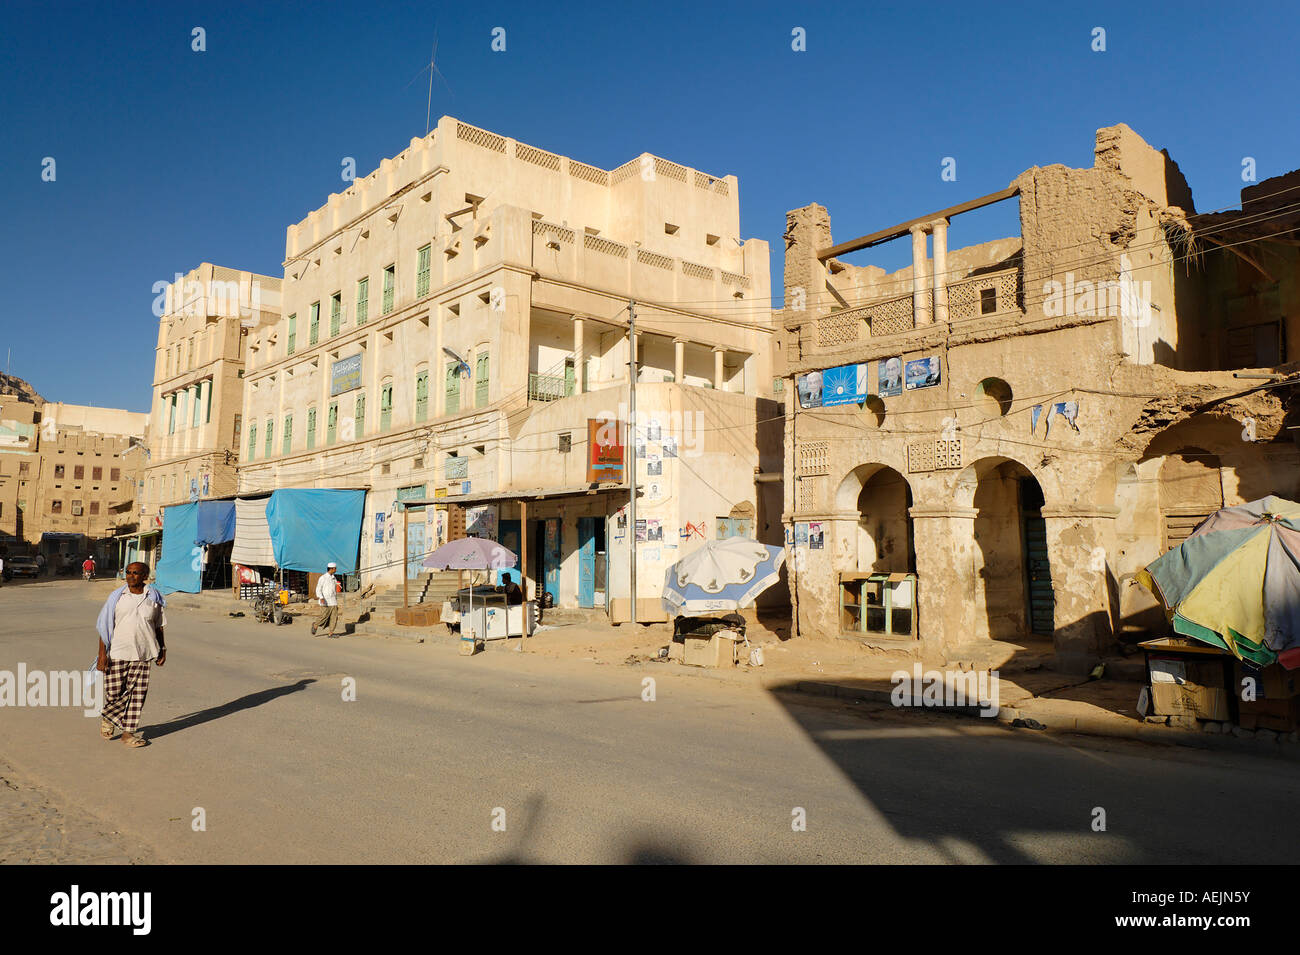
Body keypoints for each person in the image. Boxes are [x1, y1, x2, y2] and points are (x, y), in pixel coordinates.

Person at [94, 562, 166, 748]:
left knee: (137, 695)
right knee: (115, 692)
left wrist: (162, 649)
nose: (131, 576)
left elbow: (158, 627)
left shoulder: (154, 598)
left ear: (144, 576)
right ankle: (108, 718)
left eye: (136, 573)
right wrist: (102, 655)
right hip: (118, 651)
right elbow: (105, 627)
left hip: (144, 652)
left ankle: (128, 733)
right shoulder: (116, 597)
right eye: (128, 572)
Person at [312, 562, 341, 638]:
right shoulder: (323, 578)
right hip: (325, 600)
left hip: (333, 601)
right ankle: (315, 625)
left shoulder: (334, 578)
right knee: (324, 616)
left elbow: (334, 589)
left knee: (334, 617)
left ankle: (331, 633)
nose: (336, 570)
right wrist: (321, 597)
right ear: (331, 569)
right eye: (335, 568)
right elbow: (318, 588)